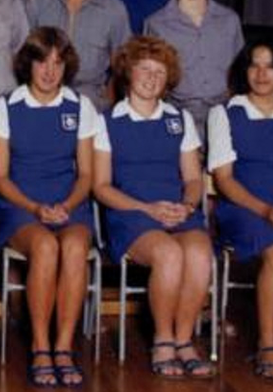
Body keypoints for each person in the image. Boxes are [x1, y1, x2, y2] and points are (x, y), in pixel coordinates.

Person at [92, 36, 215, 379]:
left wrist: (187, 206)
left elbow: (193, 179)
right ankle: (163, 340)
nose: (151, 78)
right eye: (144, 69)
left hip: (178, 211)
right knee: (169, 254)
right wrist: (148, 210)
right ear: (128, 73)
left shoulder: (180, 119)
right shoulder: (106, 121)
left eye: (159, 72)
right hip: (131, 214)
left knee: (200, 254)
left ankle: (184, 339)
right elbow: (100, 186)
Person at [0, 27, 96, 387]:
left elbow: (87, 174)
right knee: (46, 246)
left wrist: (66, 205)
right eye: (42, 62)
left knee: (75, 246)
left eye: (58, 63)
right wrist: (36, 209)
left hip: (68, 203)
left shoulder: (80, 106)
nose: (50, 71)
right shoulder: (5, 107)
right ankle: (40, 345)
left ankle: (64, 347)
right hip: (20, 205)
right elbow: (1, 176)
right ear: (28, 64)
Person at [208, 40, 273, 382]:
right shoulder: (225, 113)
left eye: (270, 66)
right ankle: (267, 344)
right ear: (244, 71)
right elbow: (224, 179)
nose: (262, 74)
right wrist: (266, 211)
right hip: (244, 207)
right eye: (254, 65)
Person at [143, 0, 243, 139]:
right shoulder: (156, 24)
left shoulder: (229, 20)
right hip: (177, 115)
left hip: (224, 115)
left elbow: (240, 73)